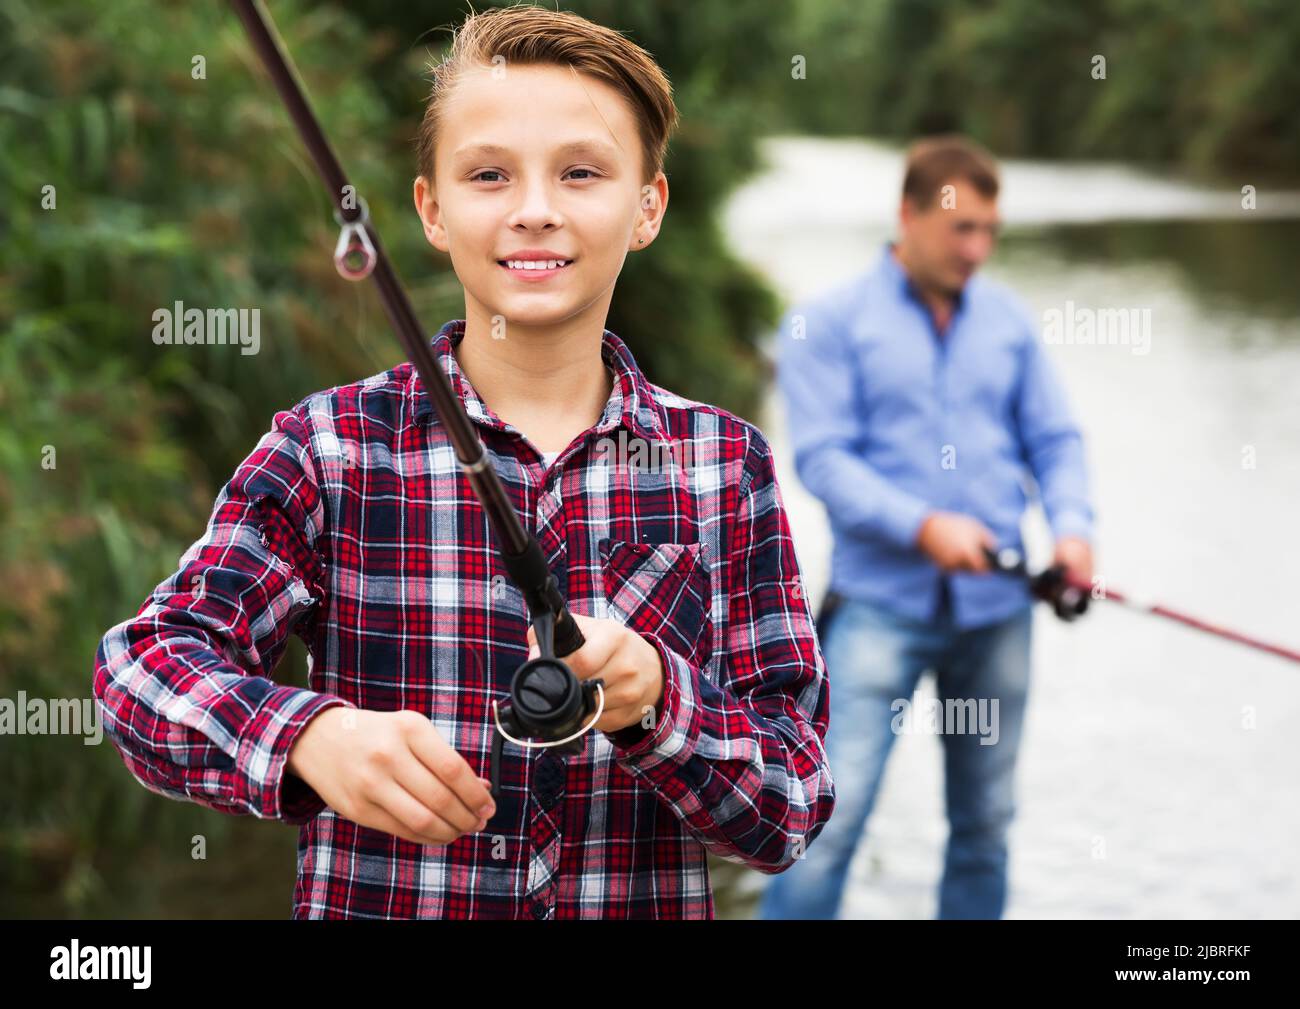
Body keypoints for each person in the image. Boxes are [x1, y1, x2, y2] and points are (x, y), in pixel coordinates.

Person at [92, 5, 833, 920]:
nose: (533, 210)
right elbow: (141, 669)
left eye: (582, 172)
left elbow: (793, 802)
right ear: (431, 209)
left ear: (649, 205)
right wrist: (307, 735)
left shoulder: (726, 465)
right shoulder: (329, 448)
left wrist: (658, 703)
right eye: (489, 175)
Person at [760, 135, 1094, 920]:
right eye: (961, 229)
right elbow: (824, 461)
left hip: (999, 617)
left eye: (989, 230)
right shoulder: (830, 323)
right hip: (879, 610)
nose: (977, 249)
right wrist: (923, 526)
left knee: (985, 826)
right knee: (821, 822)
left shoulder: (1008, 323)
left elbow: (1056, 440)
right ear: (908, 215)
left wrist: (1073, 531)